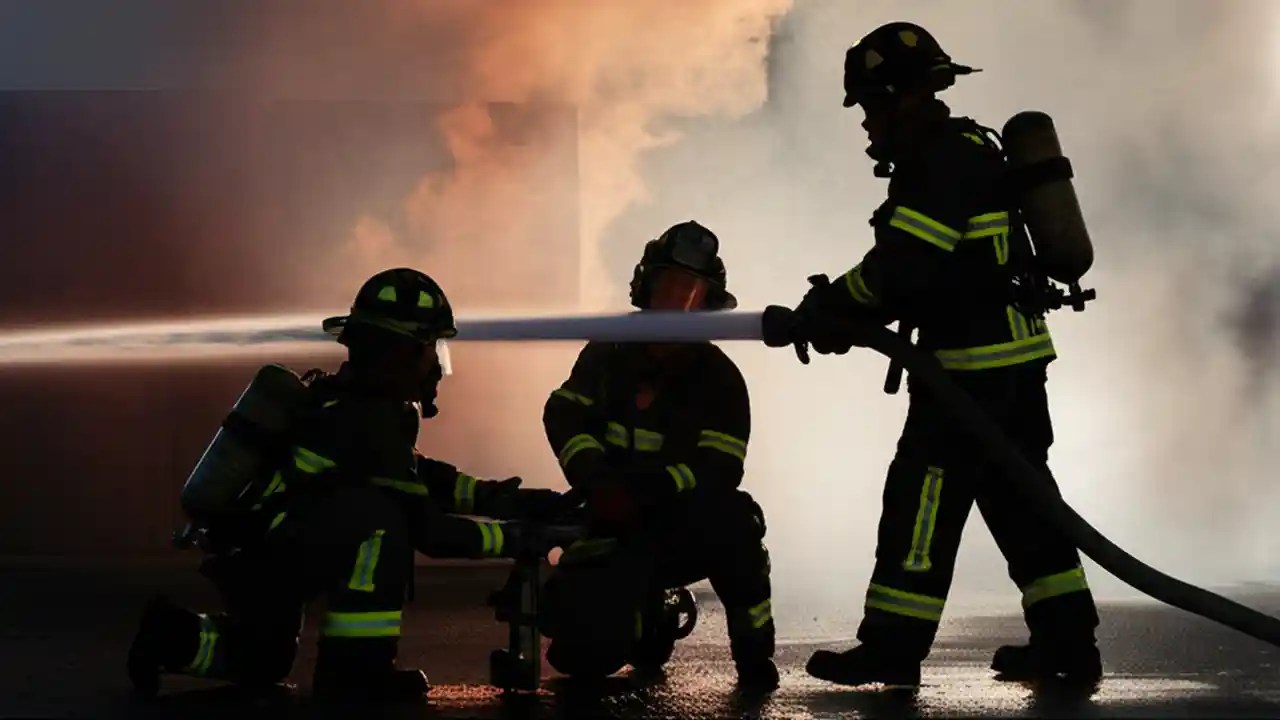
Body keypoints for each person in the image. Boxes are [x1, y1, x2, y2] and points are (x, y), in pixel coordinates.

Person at [789, 22, 1102, 688]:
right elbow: (924, 274)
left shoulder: (940, 164)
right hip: (1007, 365)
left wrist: (831, 306)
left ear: (905, 98)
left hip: (972, 376)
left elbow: (901, 269)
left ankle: (893, 649)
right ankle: (1069, 645)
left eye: (873, 105)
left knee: (920, 501)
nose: (868, 123)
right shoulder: (962, 153)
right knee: (1025, 507)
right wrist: (849, 313)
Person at [127, 268, 563, 702]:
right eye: (430, 349)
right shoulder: (365, 422)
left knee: (262, 658)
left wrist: (508, 499)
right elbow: (429, 529)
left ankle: (169, 635)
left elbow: (419, 477)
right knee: (383, 524)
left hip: (263, 547)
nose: (436, 365)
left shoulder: (356, 406)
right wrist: (518, 537)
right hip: (270, 552)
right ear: (399, 353)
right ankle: (357, 673)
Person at [540, 221, 778, 691]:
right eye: (667, 285)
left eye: (689, 291)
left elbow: (719, 469)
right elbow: (564, 414)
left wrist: (648, 492)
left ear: (706, 304)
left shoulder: (719, 379)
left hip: (679, 527)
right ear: (645, 287)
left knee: (736, 525)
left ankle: (754, 658)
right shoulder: (606, 354)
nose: (675, 300)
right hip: (610, 522)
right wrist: (597, 482)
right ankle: (649, 615)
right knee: (581, 656)